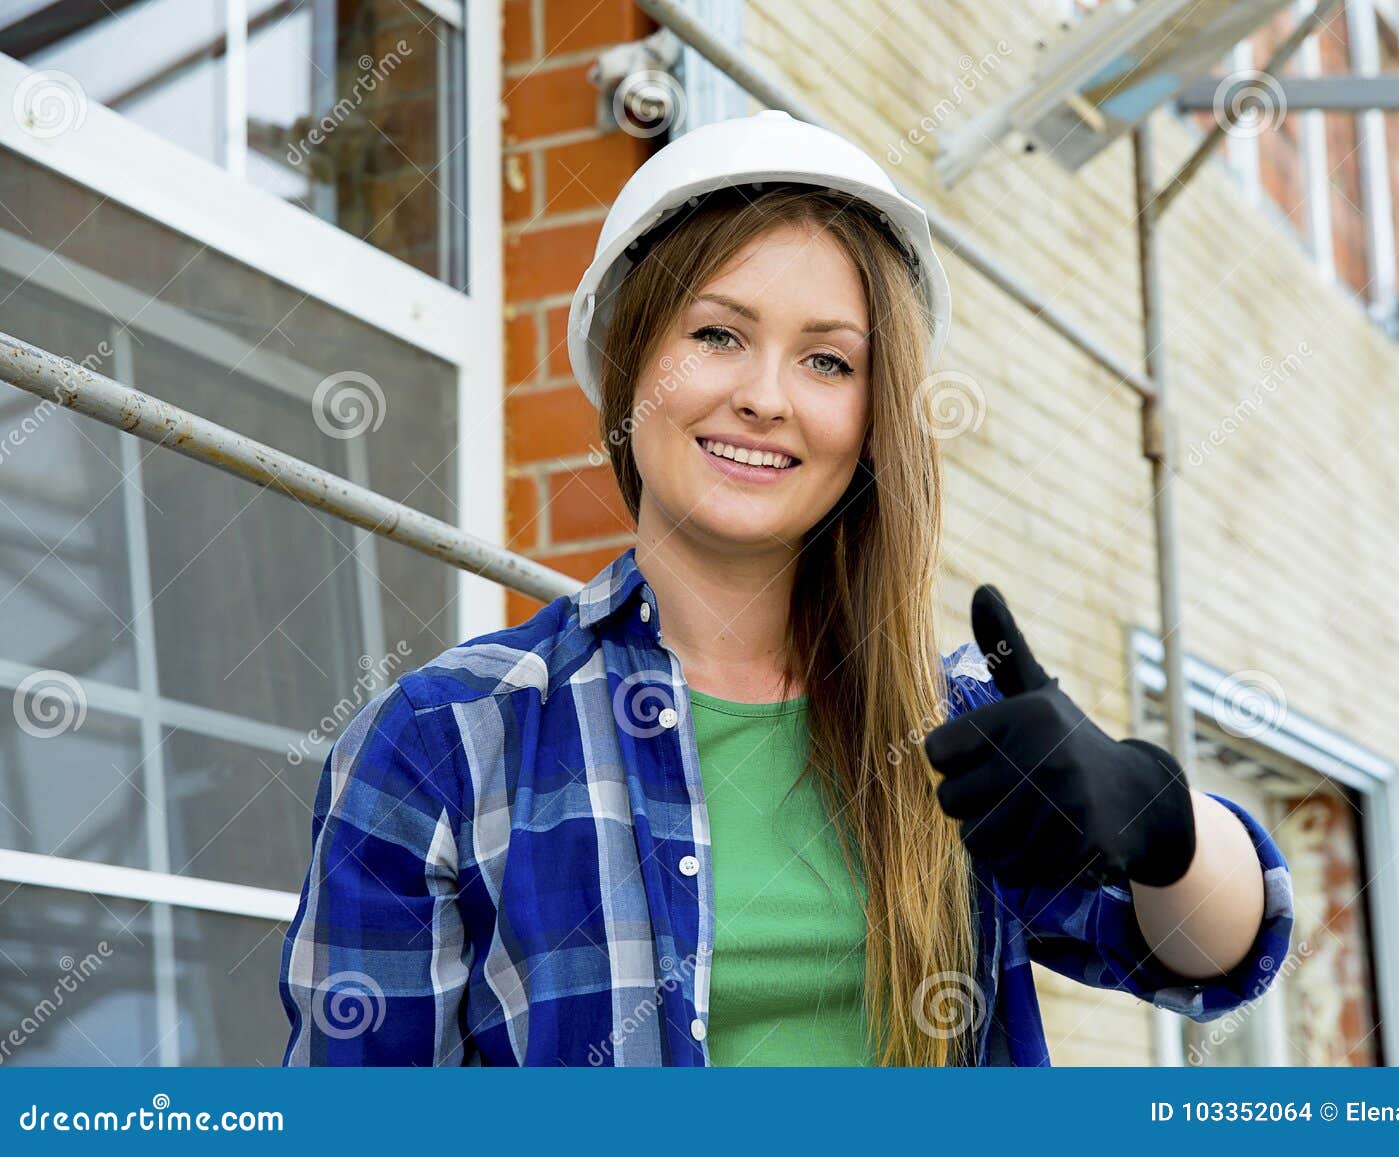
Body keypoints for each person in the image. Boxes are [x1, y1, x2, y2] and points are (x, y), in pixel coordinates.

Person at [280, 110, 1293, 1067]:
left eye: (826, 359)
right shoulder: (446, 742)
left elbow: (1213, 957)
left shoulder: (961, 738)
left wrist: (1156, 818)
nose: (765, 397)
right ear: (635, 365)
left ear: (872, 419)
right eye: (716, 334)